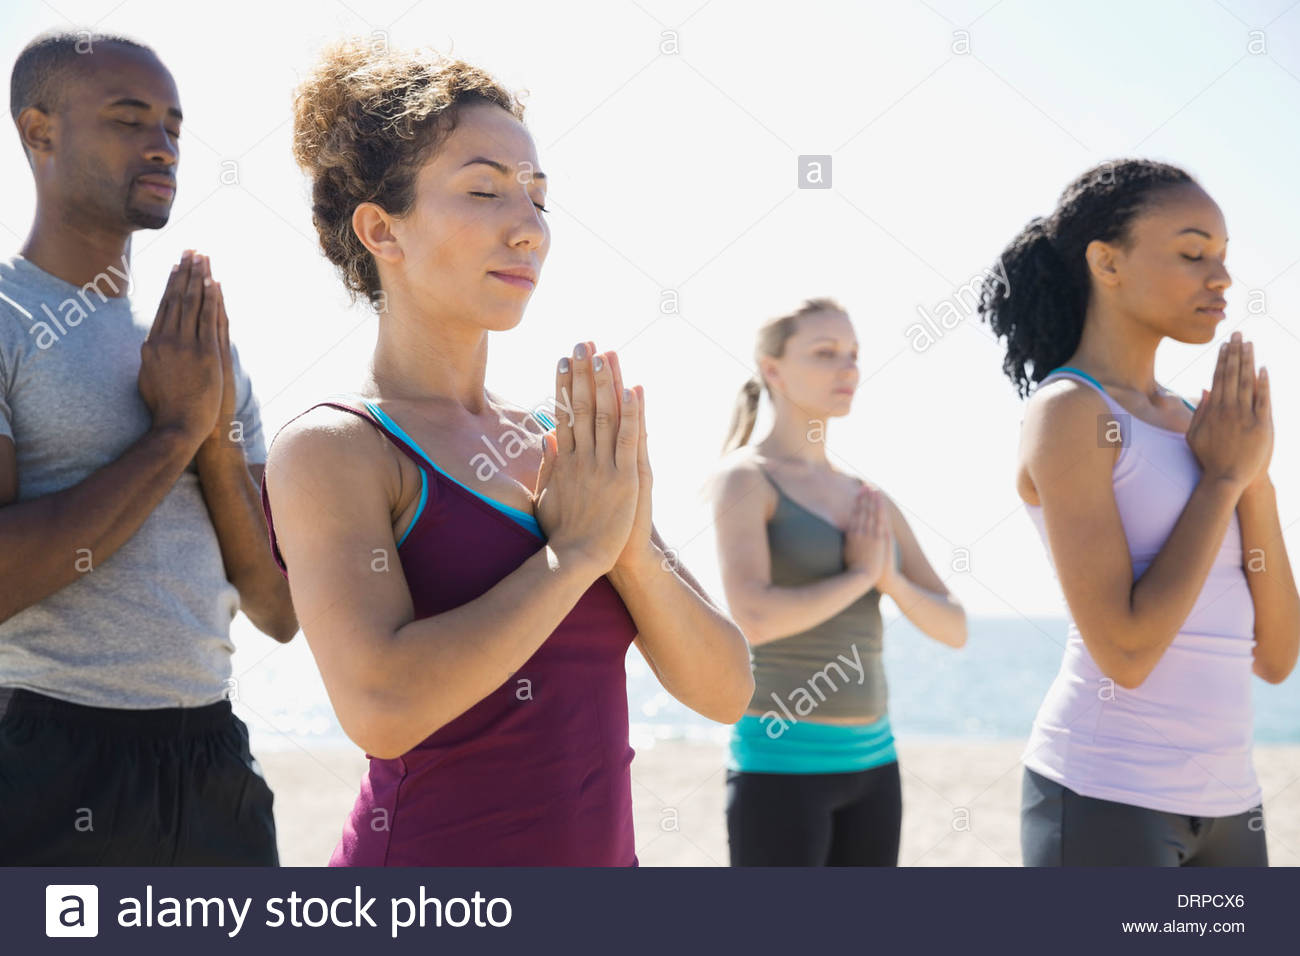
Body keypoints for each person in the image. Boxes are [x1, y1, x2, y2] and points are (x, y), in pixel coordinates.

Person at [260, 38, 753, 866]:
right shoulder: (334, 448)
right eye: (485, 190)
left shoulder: (560, 446)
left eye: (538, 197)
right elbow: (381, 707)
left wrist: (627, 548)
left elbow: (726, 688)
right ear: (382, 229)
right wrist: (577, 552)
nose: (529, 229)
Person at [0, 30, 296, 865]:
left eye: (172, 124)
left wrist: (211, 442)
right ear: (40, 132)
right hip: (51, 753)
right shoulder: (7, 318)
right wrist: (173, 435)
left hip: (211, 757)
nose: (162, 144)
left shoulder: (197, 346)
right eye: (130, 120)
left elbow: (278, 607)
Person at [978, 158, 1299, 866]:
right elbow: (1125, 654)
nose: (1220, 278)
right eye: (1192, 253)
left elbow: (1277, 659)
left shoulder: (1205, 426)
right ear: (1107, 262)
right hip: (1106, 797)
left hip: (1231, 805)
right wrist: (1220, 484)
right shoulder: (1071, 413)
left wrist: (1255, 480)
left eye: (1222, 257)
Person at [709, 297, 967, 866]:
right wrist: (861, 576)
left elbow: (954, 627)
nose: (847, 368)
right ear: (771, 368)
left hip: (875, 767)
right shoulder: (744, 479)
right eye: (825, 353)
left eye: (853, 354)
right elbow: (754, 616)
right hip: (780, 767)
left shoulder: (866, 499)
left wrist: (891, 581)